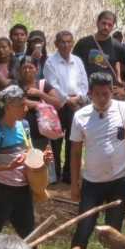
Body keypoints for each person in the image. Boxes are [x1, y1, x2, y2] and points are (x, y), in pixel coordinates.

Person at [69, 72, 125, 249]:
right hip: (91, 183)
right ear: (89, 94)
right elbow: (76, 152)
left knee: (114, 230)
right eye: (97, 94)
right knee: (84, 228)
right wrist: (74, 184)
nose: (102, 98)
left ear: (112, 91)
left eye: (106, 94)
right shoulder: (80, 116)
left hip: (119, 181)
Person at [0, 85, 53, 244]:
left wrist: (42, 160)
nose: (26, 108)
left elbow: (29, 154)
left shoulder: (24, 126)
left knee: (29, 234)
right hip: (0, 192)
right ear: (7, 107)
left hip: (23, 190)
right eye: (21, 105)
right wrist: (8, 168)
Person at [44, 30, 90, 185]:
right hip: (57, 105)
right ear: (56, 44)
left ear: (72, 43)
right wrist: (66, 99)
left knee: (74, 140)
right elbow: (52, 84)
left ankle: (69, 174)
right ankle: (54, 174)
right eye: (62, 42)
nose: (65, 45)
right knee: (55, 140)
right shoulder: (51, 62)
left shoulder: (77, 61)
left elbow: (84, 83)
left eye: (69, 41)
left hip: (76, 105)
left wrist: (78, 98)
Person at [75, 10, 125, 83]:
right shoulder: (83, 43)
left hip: (108, 91)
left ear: (113, 27)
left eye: (110, 25)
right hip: (87, 90)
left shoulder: (116, 46)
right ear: (97, 23)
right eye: (103, 23)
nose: (106, 27)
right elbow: (72, 66)